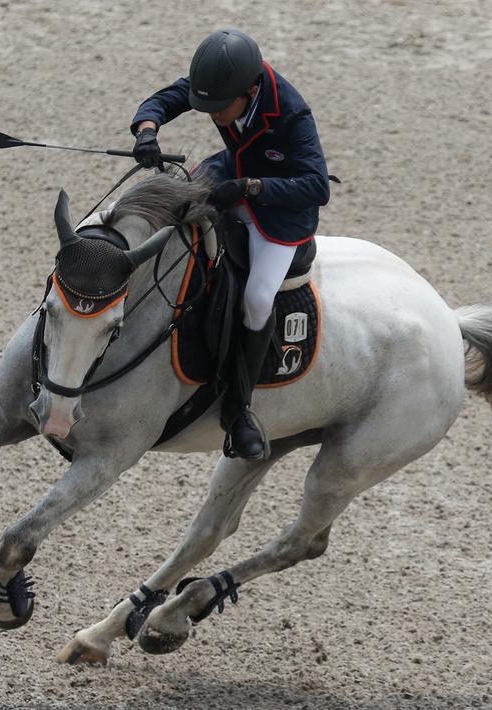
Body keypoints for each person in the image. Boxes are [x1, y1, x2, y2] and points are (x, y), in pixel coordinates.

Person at [129, 28, 330, 461]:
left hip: (280, 213)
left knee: (258, 298)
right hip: (231, 174)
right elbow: (166, 100)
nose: (214, 115)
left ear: (250, 89)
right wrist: (147, 131)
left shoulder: (292, 113)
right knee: (165, 214)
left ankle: (239, 408)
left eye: (220, 108)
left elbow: (316, 186)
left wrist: (252, 187)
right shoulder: (223, 86)